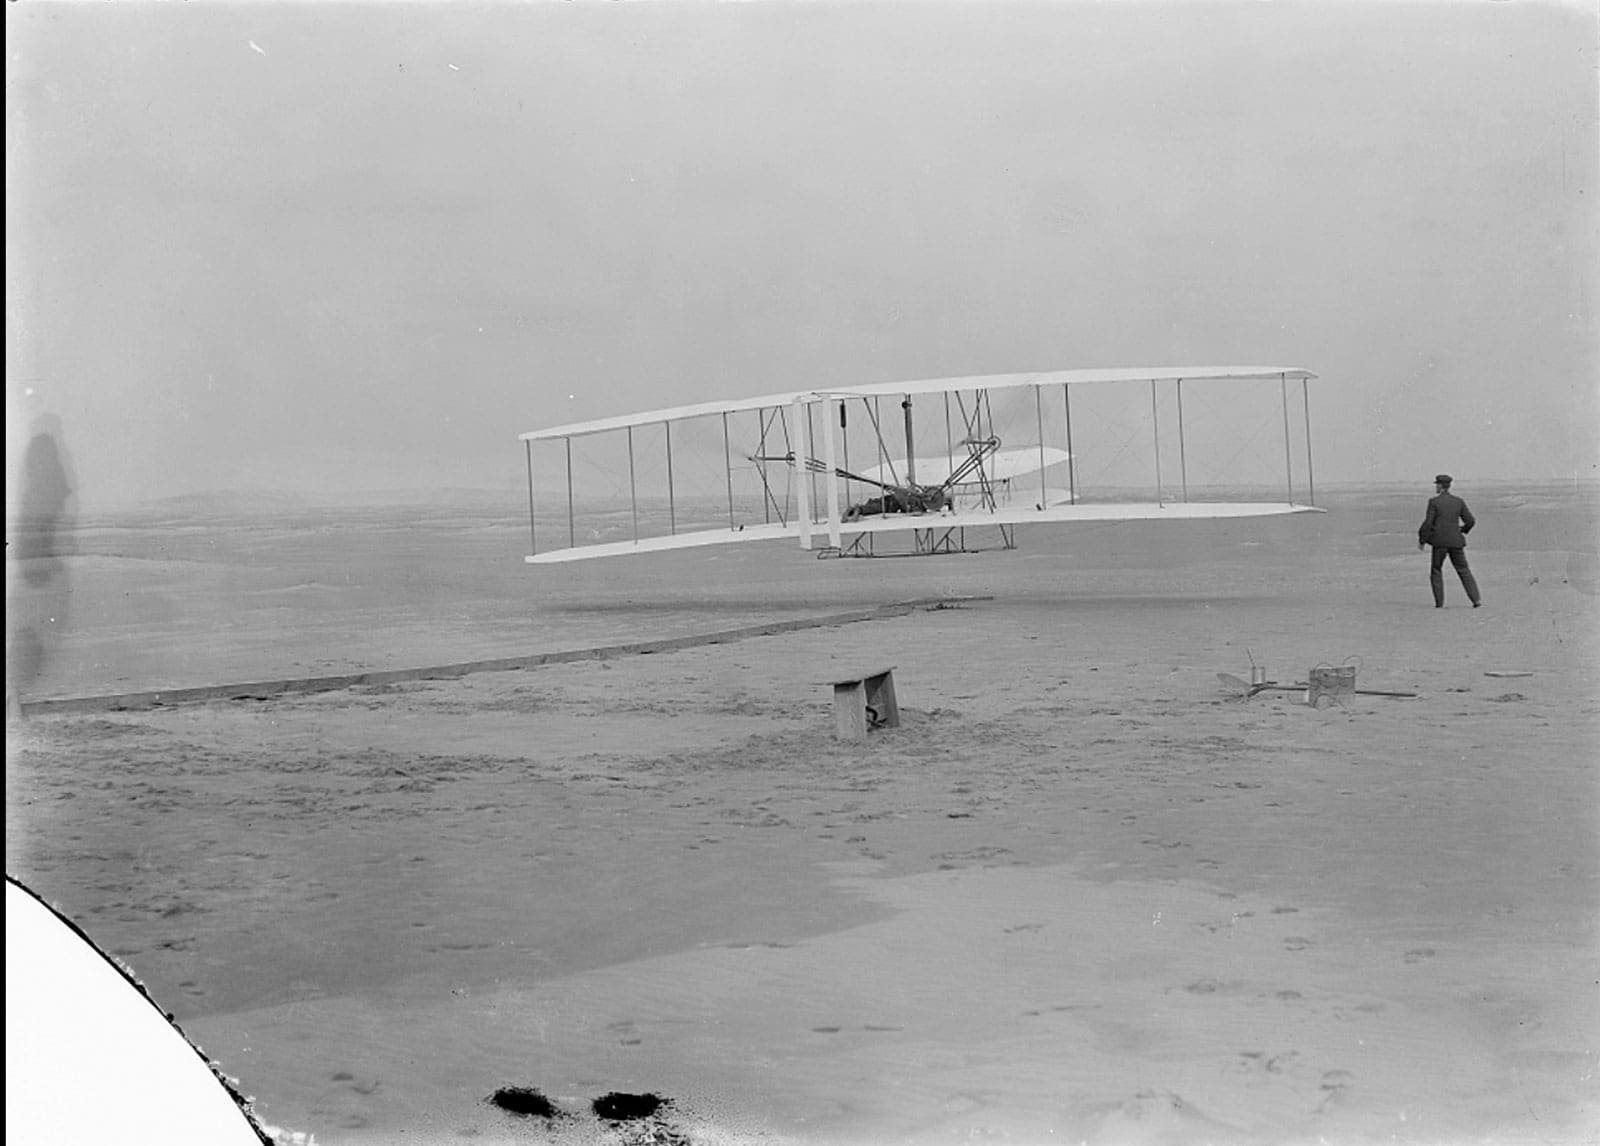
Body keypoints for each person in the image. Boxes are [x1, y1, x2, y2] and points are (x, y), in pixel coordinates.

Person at [1417, 474, 1481, 608]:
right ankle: (1476, 600)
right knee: (1464, 570)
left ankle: (1439, 603)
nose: (1436, 486)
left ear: (1440, 486)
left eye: (1436, 485)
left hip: (1439, 542)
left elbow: (1428, 523)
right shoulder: (1458, 501)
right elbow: (1471, 520)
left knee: (1436, 570)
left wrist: (1422, 539)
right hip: (1456, 541)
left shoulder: (1434, 502)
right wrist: (1463, 530)